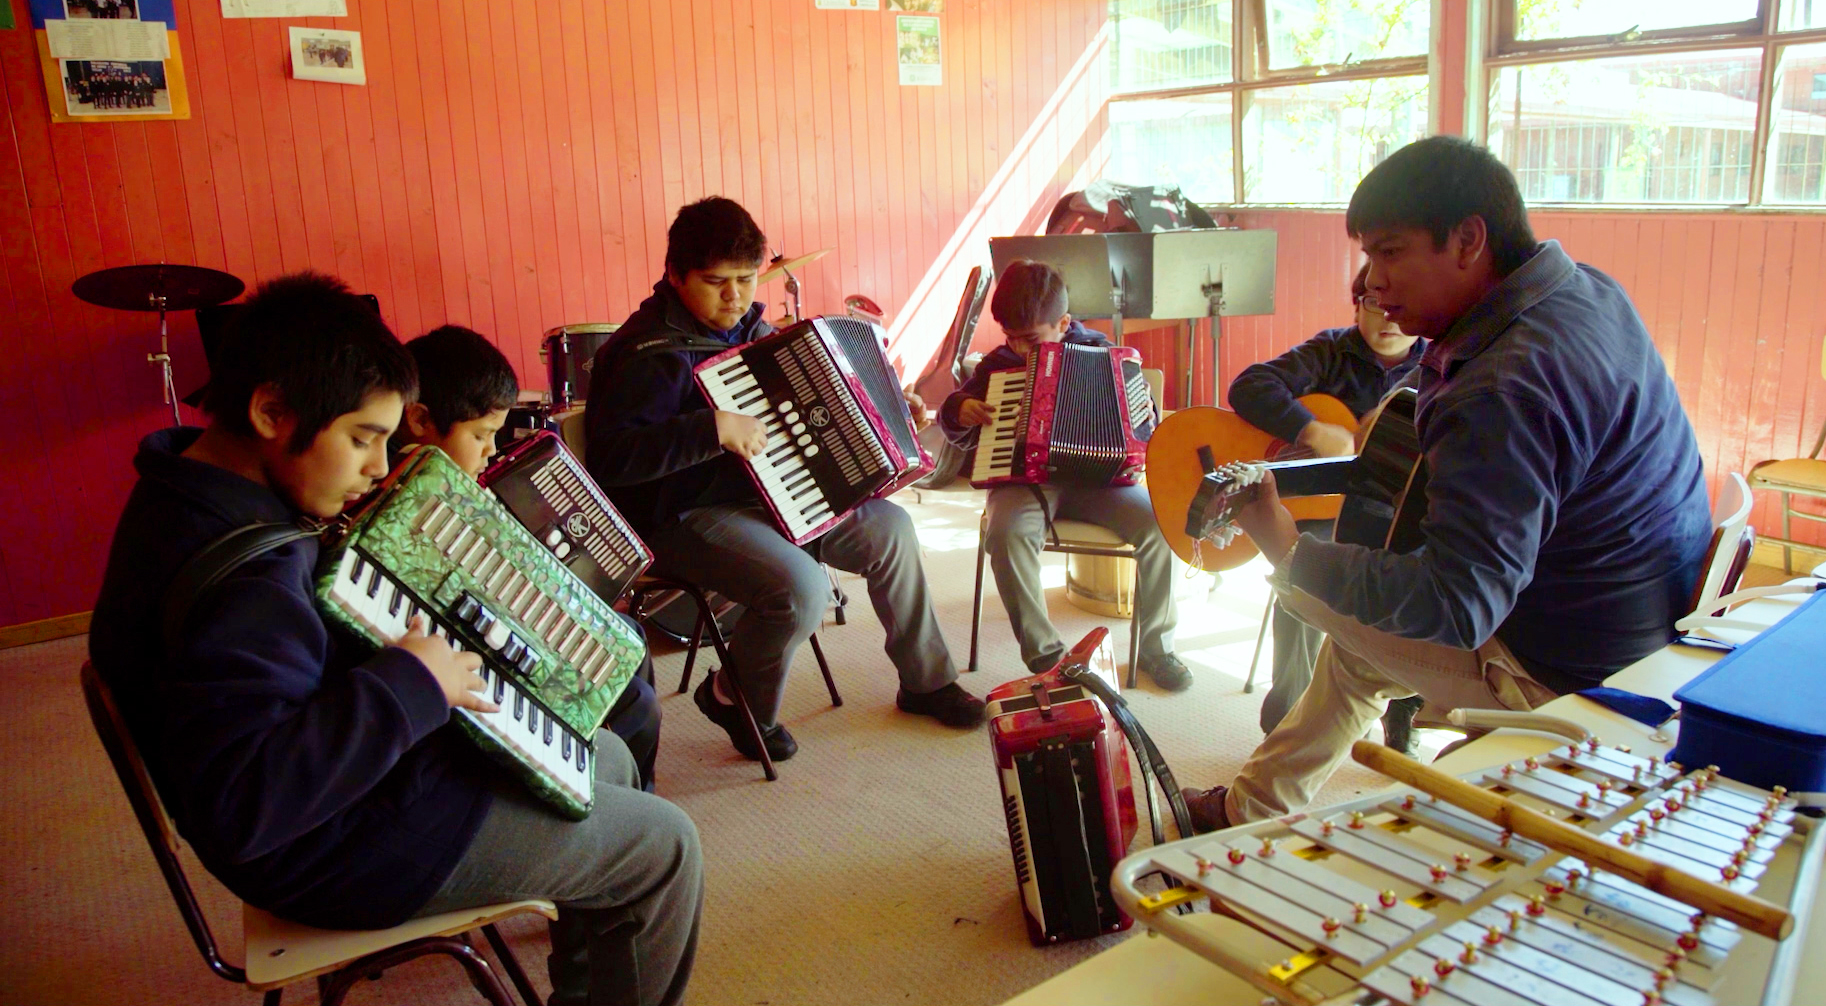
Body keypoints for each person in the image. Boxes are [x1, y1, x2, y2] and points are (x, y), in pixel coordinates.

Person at [90, 273, 702, 1006]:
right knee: (666, 847)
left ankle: (590, 958)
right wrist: (410, 684)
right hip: (332, 846)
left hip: (352, 789)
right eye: (361, 439)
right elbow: (248, 804)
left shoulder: (180, 488)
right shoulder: (246, 581)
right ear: (270, 411)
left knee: (606, 753)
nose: (378, 467)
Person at [1180, 136, 1713, 832]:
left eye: (1390, 252)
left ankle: (1250, 810)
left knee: (1311, 598)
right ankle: (1249, 808)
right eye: (1367, 256)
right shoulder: (1586, 292)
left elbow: (1459, 606)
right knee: (1359, 645)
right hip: (1644, 627)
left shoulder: (1502, 385)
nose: (1371, 282)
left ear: (1467, 240)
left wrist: (1287, 548)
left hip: (1573, 675)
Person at [584, 197, 985, 764]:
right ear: (673, 275)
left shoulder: (754, 329)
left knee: (891, 529)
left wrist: (894, 406)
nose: (734, 297)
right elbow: (611, 463)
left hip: (778, 492)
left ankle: (926, 682)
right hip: (685, 516)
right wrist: (709, 429)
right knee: (802, 588)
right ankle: (735, 698)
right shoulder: (642, 353)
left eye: (746, 280)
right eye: (715, 282)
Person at [399, 323, 667, 791]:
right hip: (488, 638)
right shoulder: (408, 492)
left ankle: (634, 785)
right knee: (638, 706)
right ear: (421, 421)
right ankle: (617, 788)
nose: (489, 452)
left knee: (633, 639)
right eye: (481, 436)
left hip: (512, 608)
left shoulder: (457, 478)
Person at [937, 259, 1191, 689]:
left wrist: (1142, 411)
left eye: (1031, 339)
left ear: (1064, 323)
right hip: (1023, 481)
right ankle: (1050, 661)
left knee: (1160, 523)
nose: (1018, 349)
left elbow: (1143, 429)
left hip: (1100, 482)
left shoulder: (1104, 354)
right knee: (1005, 534)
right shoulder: (996, 367)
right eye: (1010, 338)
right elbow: (956, 423)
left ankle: (1156, 648)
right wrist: (958, 411)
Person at [1227, 267, 1425, 737]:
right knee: (1300, 573)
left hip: (1398, 516)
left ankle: (1405, 718)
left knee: (1423, 578)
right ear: (1357, 304)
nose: (1389, 318)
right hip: (1326, 512)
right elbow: (1249, 386)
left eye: (1401, 305)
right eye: (1376, 303)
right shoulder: (1330, 351)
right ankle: (1285, 715)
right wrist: (1311, 429)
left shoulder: (1436, 366)